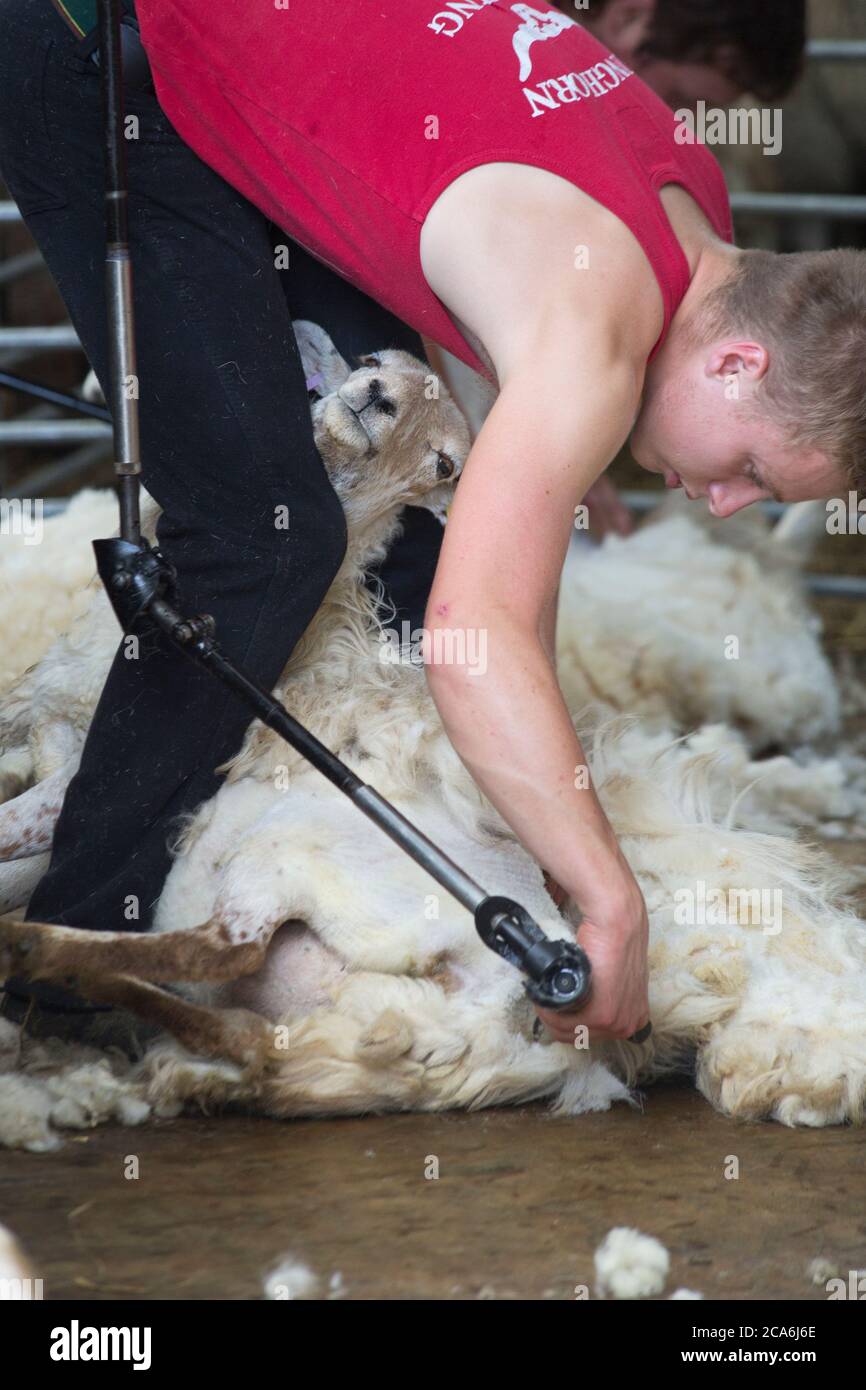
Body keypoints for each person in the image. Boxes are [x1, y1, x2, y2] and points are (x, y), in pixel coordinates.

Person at [0, 0, 861, 1050]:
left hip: (230, 67)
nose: (725, 501)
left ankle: (336, 844)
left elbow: (506, 589)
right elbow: (478, 636)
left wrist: (549, 823)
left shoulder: (689, 198)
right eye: (752, 473)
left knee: (402, 509)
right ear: (738, 363)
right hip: (106, 43)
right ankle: (77, 949)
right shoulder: (594, 330)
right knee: (264, 541)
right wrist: (611, 904)